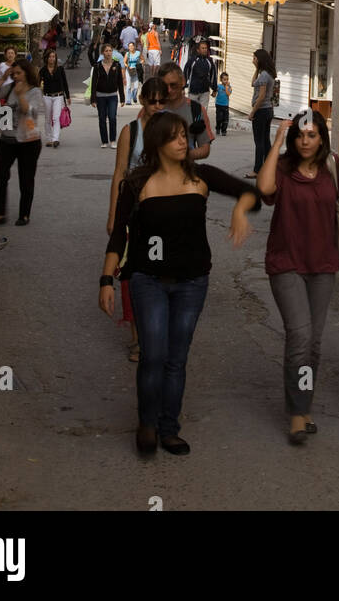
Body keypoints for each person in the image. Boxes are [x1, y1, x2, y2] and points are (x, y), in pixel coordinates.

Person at [100, 111, 261, 455]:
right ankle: (147, 423)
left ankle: (169, 427)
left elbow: (251, 193)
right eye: (174, 137)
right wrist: (105, 280)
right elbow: (119, 237)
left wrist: (239, 211)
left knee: (177, 358)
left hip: (192, 282)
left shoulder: (200, 176)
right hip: (148, 280)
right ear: (158, 143)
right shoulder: (137, 183)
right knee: (153, 354)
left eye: (184, 136)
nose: (183, 141)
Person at [256, 110, 339, 444]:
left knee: (314, 343)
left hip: (322, 265)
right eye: (300, 135)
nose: (305, 141)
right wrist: (277, 141)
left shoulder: (332, 166)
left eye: (312, 135)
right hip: (286, 262)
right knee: (300, 336)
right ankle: (295, 413)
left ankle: (304, 405)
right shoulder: (283, 167)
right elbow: (264, 189)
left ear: (322, 138)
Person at [107, 77, 167, 362]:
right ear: (142, 100)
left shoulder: (171, 132)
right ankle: (136, 337)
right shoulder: (130, 132)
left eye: (161, 101)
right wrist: (113, 216)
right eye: (151, 100)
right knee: (132, 276)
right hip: (134, 215)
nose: (156, 106)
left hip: (164, 215)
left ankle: (156, 330)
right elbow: (119, 174)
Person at [0, 58, 49, 227]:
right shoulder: (10, 88)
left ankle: (24, 214)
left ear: (27, 73)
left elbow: (30, 111)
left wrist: (21, 95)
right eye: (14, 73)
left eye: (19, 73)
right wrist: (3, 77)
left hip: (28, 141)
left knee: (26, 178)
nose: (16, 76)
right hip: (7, 139)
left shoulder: (35, 91)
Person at [158, 62, 214, 160]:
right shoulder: (153, 108)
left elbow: (205, 149)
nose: (169, 90)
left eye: (173, 85)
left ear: (183, 81)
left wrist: (181, 156)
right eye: (164, 86)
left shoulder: (196, 109)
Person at [247, 49, 276, 179]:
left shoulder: (264, 75)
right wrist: (256, 69)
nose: (252, 60)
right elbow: (253, 83)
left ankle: (257, 170)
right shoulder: (266, 74)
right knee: (265, 140)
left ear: (259, 59)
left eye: (254, 58)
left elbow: (262, 96)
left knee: (259, 141)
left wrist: (253, 112)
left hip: (262, 111)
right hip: (268, 110)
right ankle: (269, 167)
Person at [90, 43, 125, 148]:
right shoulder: (97, 66)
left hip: (112, 96)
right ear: (102, 53)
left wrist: (122, 98)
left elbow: (120, 82)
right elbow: (94, 82)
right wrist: (93, 99)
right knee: (102, 118)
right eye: (106, 51)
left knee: (112, 117)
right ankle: (104, 141)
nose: (108, 53)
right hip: (100, 96)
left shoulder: (117, 65)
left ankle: (113, 140)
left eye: (110, 51)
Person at [40, 45, 71, 147]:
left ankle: (55, 139)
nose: (52, 59)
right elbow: (37, 83)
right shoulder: (43, 70)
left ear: (56, 58)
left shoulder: (60, 69)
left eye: (53, 57)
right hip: (47, 96)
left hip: (58, 96)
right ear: (46, 58)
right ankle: (49, 138)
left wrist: (68, 96)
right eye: (50, 57)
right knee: (48, 118)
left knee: (56, 118)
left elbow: (65, 83)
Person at [184, 38, 217, 111]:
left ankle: (202, 122)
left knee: (203, 112)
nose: (205, 50)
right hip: (193, 91)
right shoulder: (192, 61)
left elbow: (213, 75)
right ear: (198, 50)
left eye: (206, 48)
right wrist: (183, 87)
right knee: (192, 111)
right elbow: (186, 73)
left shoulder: (210, 61)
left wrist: (214, 89)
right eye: (203, 48)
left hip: (205, 91)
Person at [124, 40, 142, 104]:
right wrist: (128, 66)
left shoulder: (138, 53)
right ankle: (128, 100)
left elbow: (142, 60)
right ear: (128, 47)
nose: (131, 47)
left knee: (136, 87)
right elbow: (124, 62)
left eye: (132, 46)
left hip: (136, 70)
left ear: (134, 46)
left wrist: (140, 63)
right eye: (129, 46)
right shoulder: (127, 54)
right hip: (129, 71)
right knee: (128, 86)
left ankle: (134, 96)